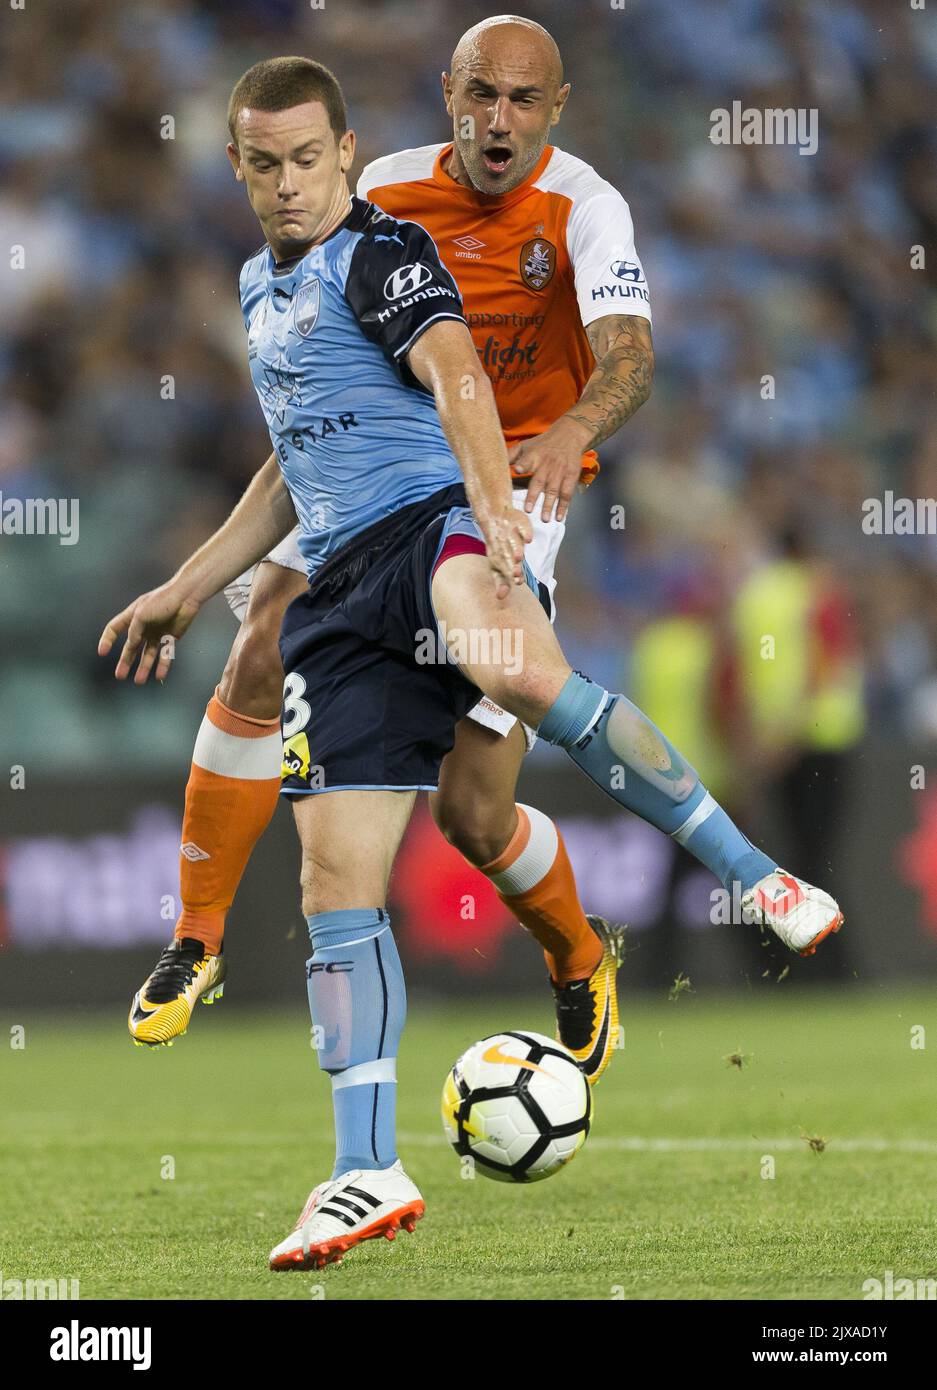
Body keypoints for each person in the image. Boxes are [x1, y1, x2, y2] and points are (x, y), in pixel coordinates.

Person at [100, 49, 842, 1272]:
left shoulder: (385, 247)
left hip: (443, 524)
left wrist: (494, 504)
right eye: (264, 165)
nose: (288, 184)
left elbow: (453, 370)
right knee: (339, 883)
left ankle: (757, 873)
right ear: (236, 169)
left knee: (515, 670)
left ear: (344, 156)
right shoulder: (258, 286)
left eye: (305, 159)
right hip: (341, 584)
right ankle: (363, 1168)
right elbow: (295, 459)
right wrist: (184, 584)